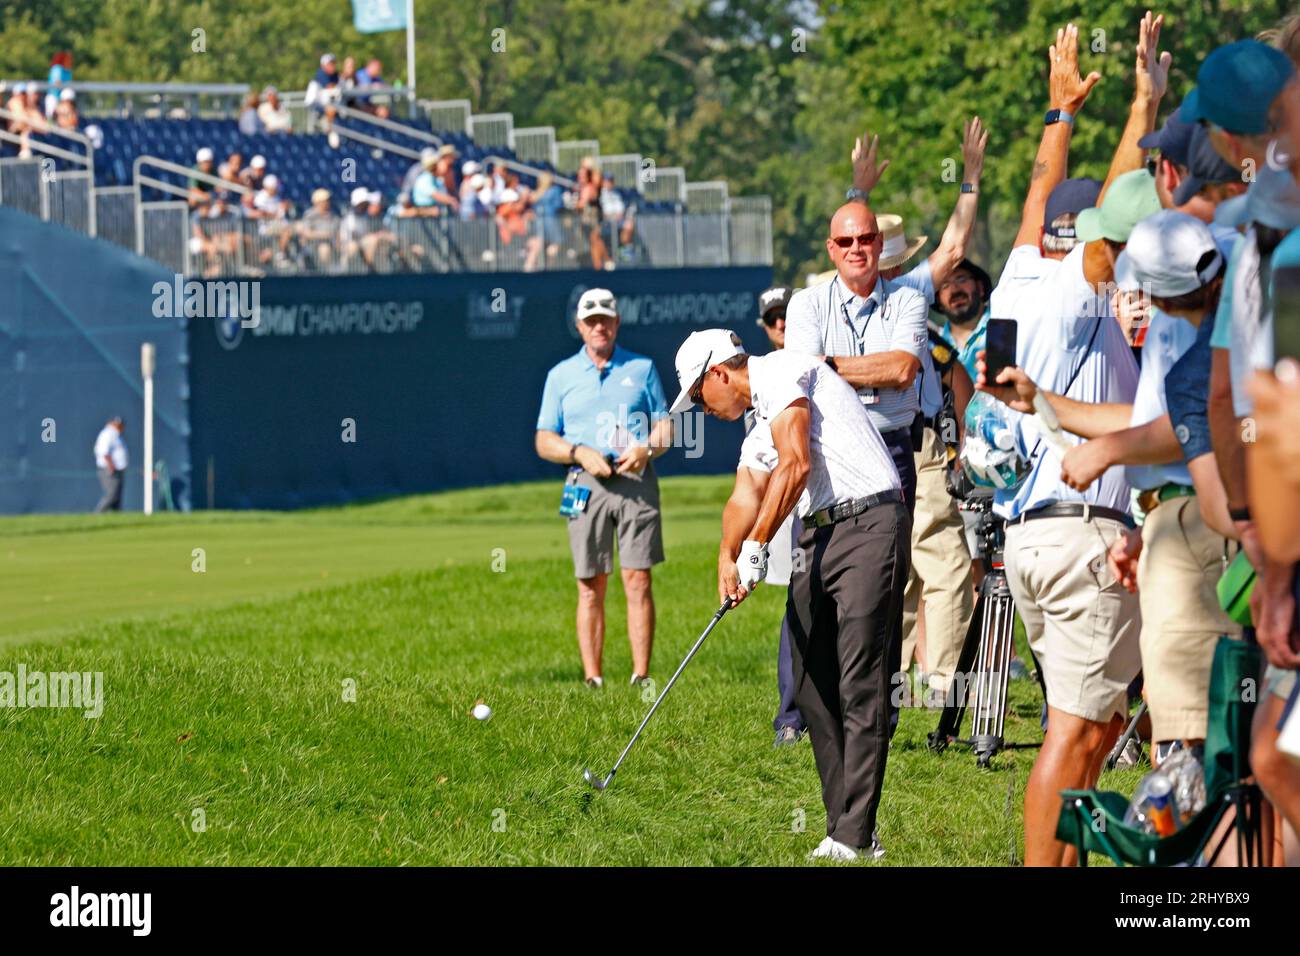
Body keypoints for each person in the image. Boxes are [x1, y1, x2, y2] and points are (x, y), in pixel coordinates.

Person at [977, 15, 1167, 868]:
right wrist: (1141, 105)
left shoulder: (1022, 269)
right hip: (1084, 530)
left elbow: (1034, 199)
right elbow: (1118, 195)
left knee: (1094, 727)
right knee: (1076, 732)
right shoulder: (1080, 283)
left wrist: (1060, 117)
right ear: (1087, 235)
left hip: (1035, 536)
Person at [987, 211, 1239, 760]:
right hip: (1188, 529)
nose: (1135, 299)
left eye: (1140, 285)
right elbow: (1148, 420)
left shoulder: (1222, 338)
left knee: (1204, 741)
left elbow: (1194, 427)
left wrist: (1108, 453)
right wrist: (1043, 402)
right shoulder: (1197, 331)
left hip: (1227, 535)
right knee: (1183, 728)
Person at [670, 327, 906, 861]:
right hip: (819, 533)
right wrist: (728, 554)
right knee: (807, 675)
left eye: (699, 397)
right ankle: (844, 826)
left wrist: (757, 545)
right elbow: (746, 493)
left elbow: (796, 463)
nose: (700, 409)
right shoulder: (759, 422)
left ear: (718, 373)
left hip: (869, 521)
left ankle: (855, 835)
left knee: (859, 680)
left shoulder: (780, 371)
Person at [535, 290, 674, 688]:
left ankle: (641, 676)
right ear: (579, 327)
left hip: (635, 479)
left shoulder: (643, 368)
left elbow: (665, 426)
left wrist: (646, 448)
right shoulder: (560, 375)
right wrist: (577, 452)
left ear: (616, 322)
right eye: (591, 320)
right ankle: (593, 678)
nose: (599, 326)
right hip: (585, 481)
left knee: (638, 578)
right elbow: (544, 439)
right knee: (590, 583)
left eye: (606, 319)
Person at [750, 286, 807, 746]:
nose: (782, 325)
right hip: (783, 503)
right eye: (774, 320)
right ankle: (791, 717)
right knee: (798, 605)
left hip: (829, 498)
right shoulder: (758, 379)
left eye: (787, 315)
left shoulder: (818, 363)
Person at [93, 417, 128, 512]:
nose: (120, 426)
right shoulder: (107, 434)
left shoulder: (116, 435)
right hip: (109, 469)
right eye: (117, 424)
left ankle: (117, 519)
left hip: (118, 469)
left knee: (117, 497)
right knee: (112, 494)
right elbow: (104, 452)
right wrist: (111, 466)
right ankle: (97, 515)